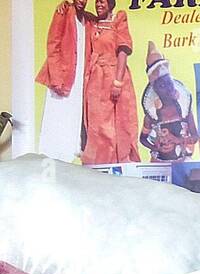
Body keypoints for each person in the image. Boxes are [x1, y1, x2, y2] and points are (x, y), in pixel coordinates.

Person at [82, 0, 139, 165]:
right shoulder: (92, 22)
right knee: (98, 125)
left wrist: (118, 82)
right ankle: (101, 166)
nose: (98, 4)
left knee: (122, 121)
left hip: (115, 75)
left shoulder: (118, 19)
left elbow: (123, 51)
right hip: (96, 79)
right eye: (97, 1)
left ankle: (121, 163)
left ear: (110, 3)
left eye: (102, 1)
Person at [35, 0, 91, 163]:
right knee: (57, 114)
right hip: (61, 74)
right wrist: (56, 77)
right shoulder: (63, 12)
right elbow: (53, 44)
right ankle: (50, 157)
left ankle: (68, 154)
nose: (81, 1)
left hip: (78, 75)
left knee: (73, 114)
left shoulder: (87, 19)